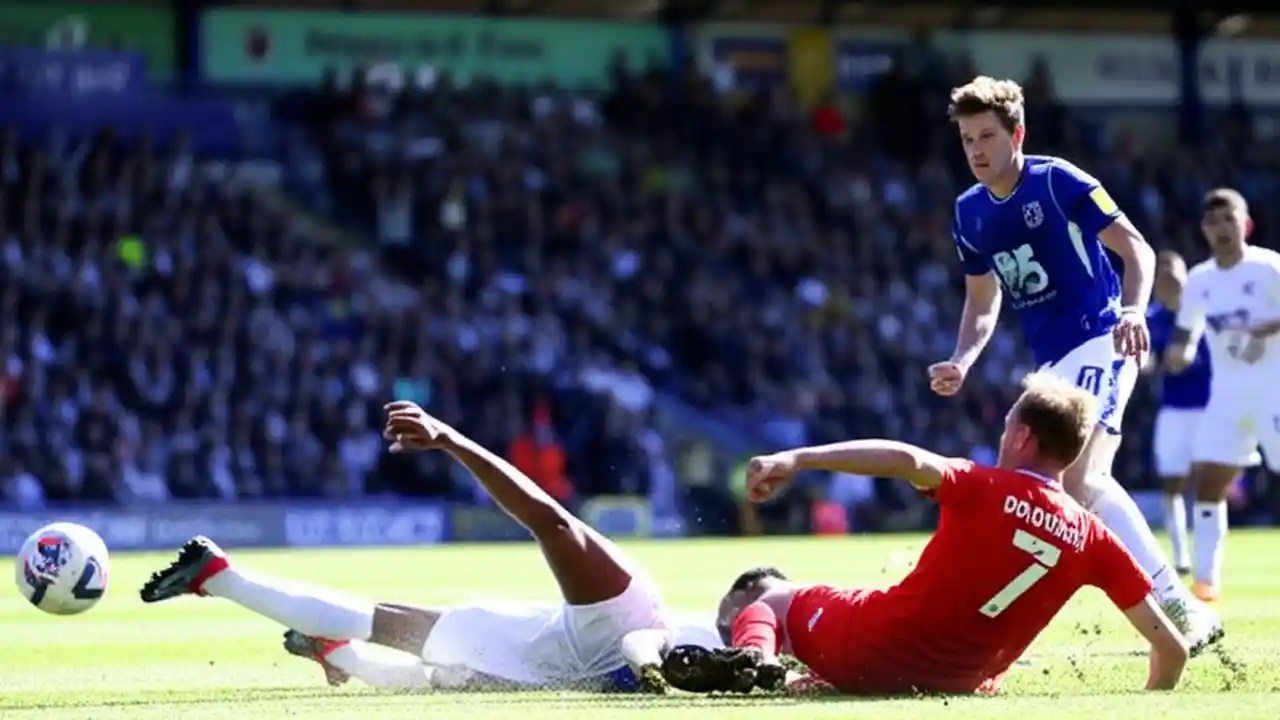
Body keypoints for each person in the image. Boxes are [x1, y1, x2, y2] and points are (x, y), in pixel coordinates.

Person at [139, 401, 722, 693]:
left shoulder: (711, 628)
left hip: (556, 658)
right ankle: (223, 578)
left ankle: (294, 624)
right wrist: (451, 440)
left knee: (433, 667)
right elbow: (551, 522)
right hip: (576, 639)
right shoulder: (667, 612)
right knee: (393, 627)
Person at [928, 75, 1220, 650]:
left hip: (1105, 336)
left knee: (1082, 477)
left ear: (1018, 134)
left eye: (987, 135)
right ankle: (993, 628)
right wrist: (962, 358)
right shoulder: (968, 213)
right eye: (967, 139)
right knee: (1022, 485)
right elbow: (982, 301)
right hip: (1051, 366)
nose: (976, 150)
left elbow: (1136, 249)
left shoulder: (1057, 181)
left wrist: (1132, 311)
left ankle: (1179, 608)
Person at [697, 372, 1189, 696]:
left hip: (873, 649)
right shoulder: (1094, 539)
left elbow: (906, 459)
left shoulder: (981, 486)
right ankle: (801, 673)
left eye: (1007, 428)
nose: (1003, 437)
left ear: (1022, 436)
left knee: (774, 598)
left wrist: (797, 459)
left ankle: (754, 656)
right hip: (962, 682)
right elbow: (1173, 651)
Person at [1165, 188, 1280, 602]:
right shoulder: (1200, 280)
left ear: (1245, 223)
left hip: (1273, 391)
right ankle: (1205, 580)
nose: (1221, 228)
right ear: (1204, 230)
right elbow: (1185, 332)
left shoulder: (1269, 267)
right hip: (1226, 398)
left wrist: (1263, 329)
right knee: (1209, 480)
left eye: (1228, 218)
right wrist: (1177, 354)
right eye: (1212, 222)